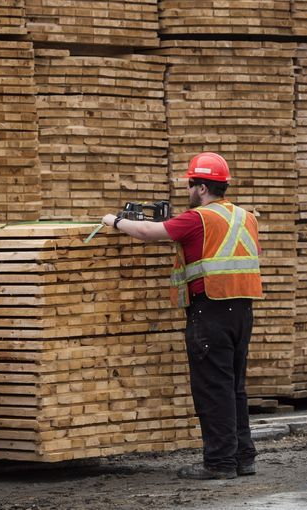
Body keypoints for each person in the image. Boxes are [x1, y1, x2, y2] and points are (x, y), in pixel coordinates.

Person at [101, 152, 263, 480]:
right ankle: (243, 459)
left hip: (211, 311)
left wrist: (114, 221)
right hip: (242, 310)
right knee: (235, 387)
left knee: (213, 388)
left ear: (202, 188)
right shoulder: (246, 216)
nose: (188, 191)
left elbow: (149, 232)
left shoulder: (198, 219)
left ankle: (219, 463)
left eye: (191, 185)